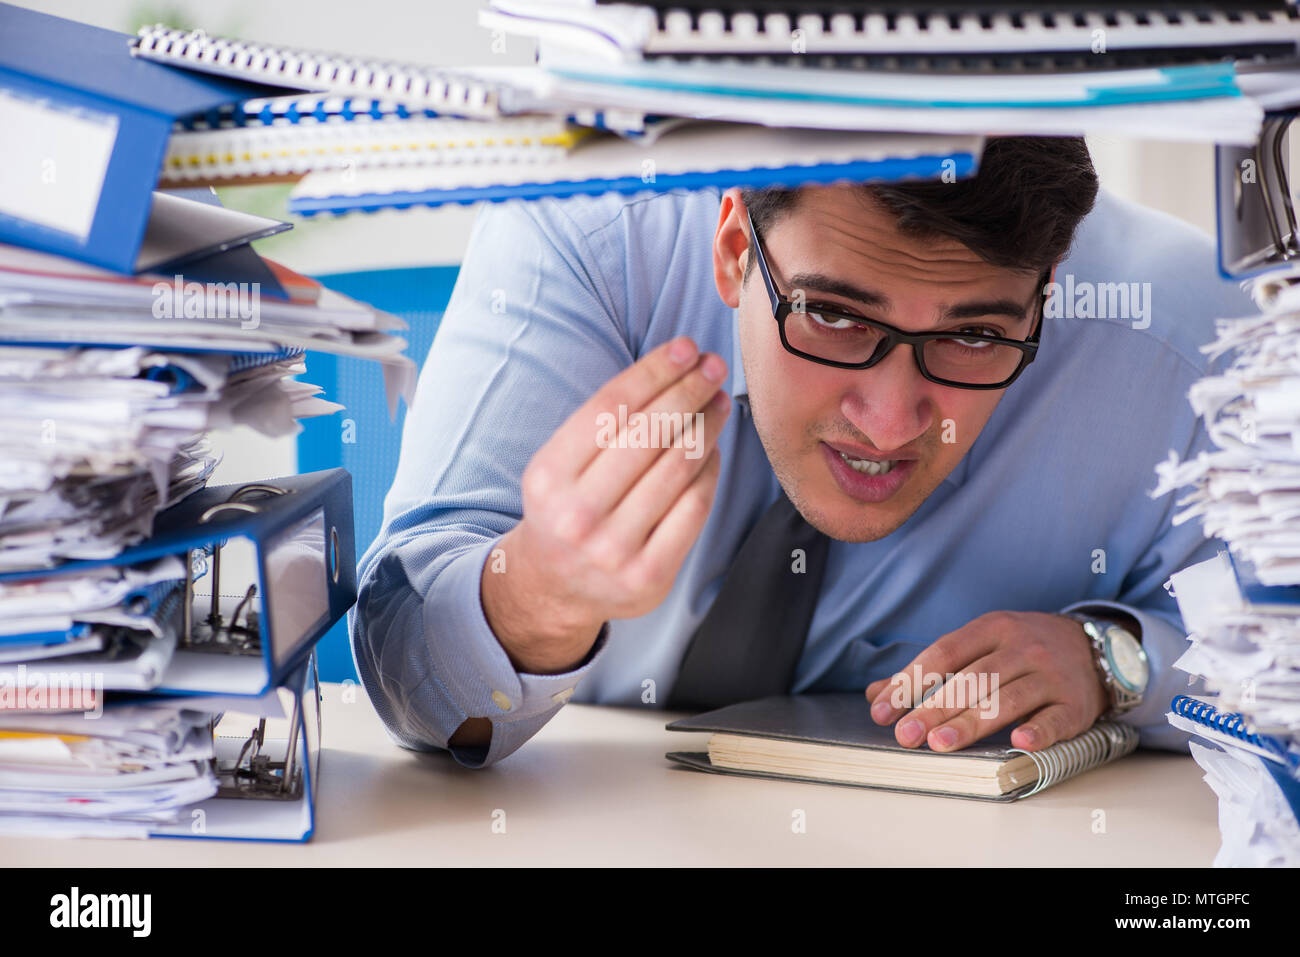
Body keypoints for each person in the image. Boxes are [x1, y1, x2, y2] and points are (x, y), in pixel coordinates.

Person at [350, 137, 1251, 769]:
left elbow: (1280, 666)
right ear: (736, 242)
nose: (892, 421)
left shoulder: (1200, 342)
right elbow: (405, 661)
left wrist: (1115, 663)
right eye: (835, 314)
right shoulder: (583, 231)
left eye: (976, 333)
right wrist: (533, 596)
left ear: (1048, 287)